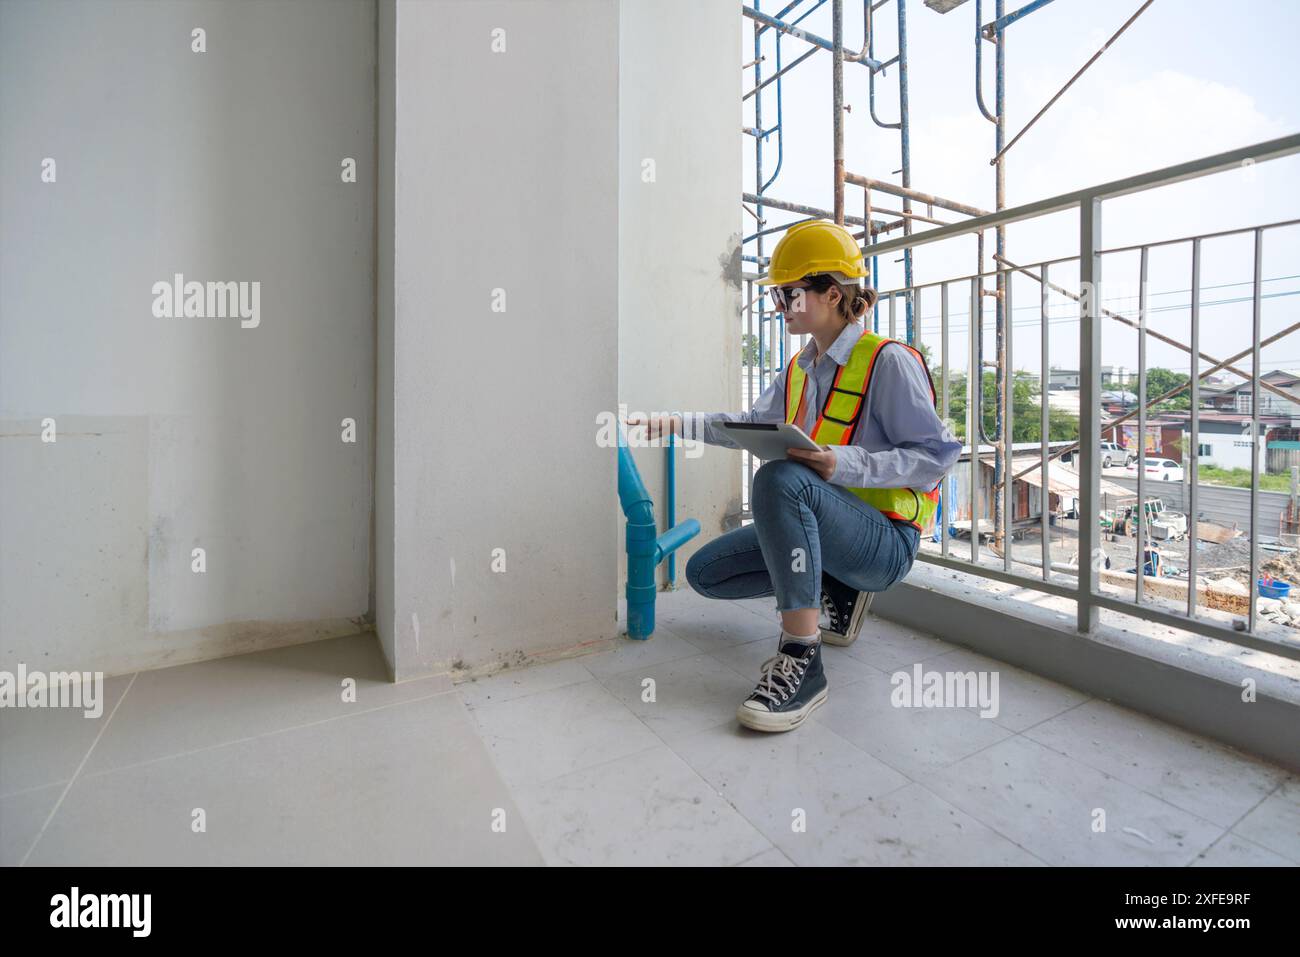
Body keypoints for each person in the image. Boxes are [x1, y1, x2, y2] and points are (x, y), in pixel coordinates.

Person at [631, 220, 961, 733]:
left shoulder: (888, 362)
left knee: (780, 479)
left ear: (831, 294)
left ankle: (802, 660)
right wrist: (674, 424)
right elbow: (746, 427)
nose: (780, 304)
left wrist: (842, 462)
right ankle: (834, 587)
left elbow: (936, 456)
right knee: (707, 574)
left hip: (884, 541)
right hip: (828, 529)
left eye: (790, 293)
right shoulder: (799, 370)